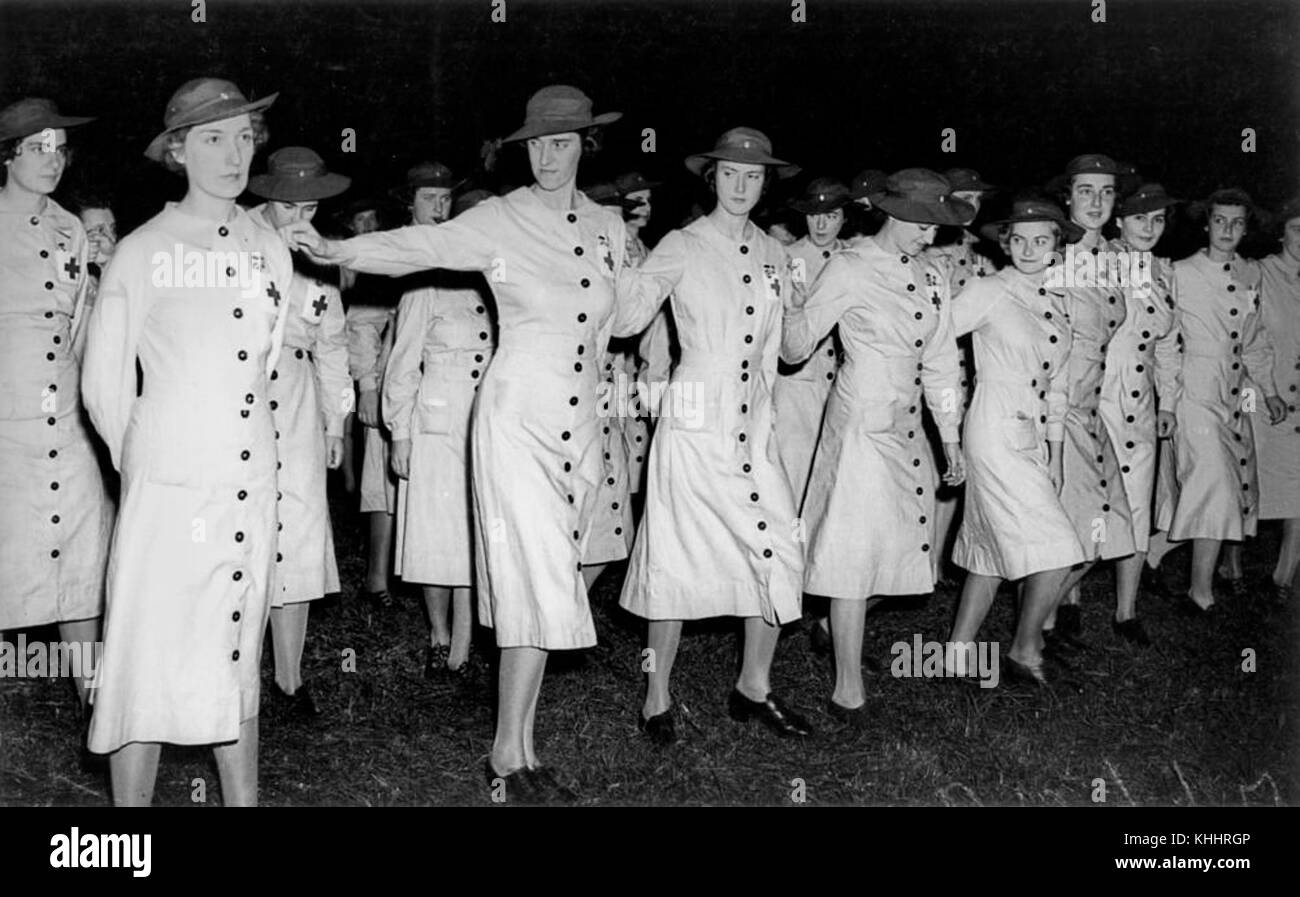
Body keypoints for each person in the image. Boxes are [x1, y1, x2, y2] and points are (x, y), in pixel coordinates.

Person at [283, 85, 636, 802]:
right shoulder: (501, 219)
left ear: (584, 145)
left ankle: (525, 748)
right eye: (537, 141)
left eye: (562, 141)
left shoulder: (605, 225)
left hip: (581, 428)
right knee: (535, 578)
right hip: (514, 422)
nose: (548, 154)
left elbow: (616, 319)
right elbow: (423, 244)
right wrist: (339, 247)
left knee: (553, 580)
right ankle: (507, 755)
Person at [82, 78, 290, 805]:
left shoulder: (272, 250)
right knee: (147, 659)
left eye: (242, 137)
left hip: (250, 485)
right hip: (171, 490)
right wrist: (152, 466)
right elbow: (104, 388)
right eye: (211, 138)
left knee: (235, 652)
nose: (233, 154)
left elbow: (262, 370)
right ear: (178, 150)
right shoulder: (143, 251)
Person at [617, 127, 812, 745]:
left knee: (779, 546)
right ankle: (656, 696)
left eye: (753, 177)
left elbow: (792, 350)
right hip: (695, 422)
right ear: (712, 178)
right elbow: (626, 320)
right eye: (730, 174)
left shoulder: (777, 255)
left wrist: (809, 301)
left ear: (766, 184)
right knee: (675, 558)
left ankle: (753, 687)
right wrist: (620, 265)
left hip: (753, 424)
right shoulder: (682, 244)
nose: (741, 186)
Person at [782, 168, 968, 721]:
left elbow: (940, 362)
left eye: (937, 227)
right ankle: (846, 686)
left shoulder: (933, 275)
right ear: (893, 213)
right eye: (923, 225)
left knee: (902, 555)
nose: (931, 237)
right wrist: (793, 306)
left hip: (907, 426)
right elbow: (794, 350)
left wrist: (951, 439)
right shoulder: (850, 266)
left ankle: (826, 625)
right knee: (852, 552)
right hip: (860, 424)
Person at [0, 97, 112, 715]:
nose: (53, 160)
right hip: (5, 420)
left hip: (63, 419)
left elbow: (77, 324)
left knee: (79, 552)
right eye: (37, 148)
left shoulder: (70, 227)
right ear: (9, 156)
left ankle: (97, 706)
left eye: (60, 149)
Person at [948, 197, 1088, 686]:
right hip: (992, 426)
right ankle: (1026, 648)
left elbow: (1060, 383)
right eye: (1020, 239)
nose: (1030, 248)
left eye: (1042, 239)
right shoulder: (989, 290)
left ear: (1057, 248)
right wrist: (944, 405)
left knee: (989, 550)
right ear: (1005, 244)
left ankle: (955, 652)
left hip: (1031, 434)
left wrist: (1054, 448)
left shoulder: (1053, 303)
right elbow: (935, 335)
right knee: (1061, 548)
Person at [248, 146, 352, 712]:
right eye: (291, 208)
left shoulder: (320, 254)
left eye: (312, 207)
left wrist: (335, 422)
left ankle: (289, 677)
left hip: (301, 402)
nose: (303, 221)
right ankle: (233, 671)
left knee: (302, 534)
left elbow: (334, 342)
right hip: (241, 395)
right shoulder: (233, 238)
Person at [384, 164, 495, 677]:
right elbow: (402, 362)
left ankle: (465, 647)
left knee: (473, 529)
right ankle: (438, 633)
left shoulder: (499, 283)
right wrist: (399, 433)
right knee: (434, 532)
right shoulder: (425, 281)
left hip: (485, 420)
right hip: (436, 419)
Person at [1158, 189, 1286, 612]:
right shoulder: (1180, 272)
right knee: (1213, 486)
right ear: (1206, 224)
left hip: (1232, 396)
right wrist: (1167, 401)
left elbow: (1253, 340)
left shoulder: (1250, 274)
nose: (1228, 230)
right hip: (1194, 392)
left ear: (1246, 228)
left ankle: (1153, 556)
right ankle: (1199, 590)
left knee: (1214, 486)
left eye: (1237, 223)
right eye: (1220, 221)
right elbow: (1163, 339)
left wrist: (1268, 391)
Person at [1042, 154, 1136, 648]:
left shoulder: (1115, 260)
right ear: (1067, 196)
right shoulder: (1052, 256)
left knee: (1105, 527)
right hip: (1057, 411)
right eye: (1086, 191)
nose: (1096, 201)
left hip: (1090, 408)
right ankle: (1039, 630)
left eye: (1106, 192)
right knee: (1080, 528)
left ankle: (1045, 622)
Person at [1097, 182, 1182, 644]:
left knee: (1137, 501)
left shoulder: (1162, 273)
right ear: (1118, 221)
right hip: (1101, 398)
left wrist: (1168, 401)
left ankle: (1126, 611)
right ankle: (1061, 609)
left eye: (1158, 220)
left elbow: (1168, 344)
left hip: (1142, 406)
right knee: (1094, 501)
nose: (1149, 228)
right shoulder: (1094, 264)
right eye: (1139, 219)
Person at [773, 176, 850, 657]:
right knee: (793, 491)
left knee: (833, 494)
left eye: (833, 214)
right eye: (815, 213)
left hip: (841, 387)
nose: (823, 222)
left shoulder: (854, 260)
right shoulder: (784, 260)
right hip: (795, 390)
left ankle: (826, 600)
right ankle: (786, 598)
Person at [1250, 196, 1300, 603]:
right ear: (1282, 232)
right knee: (1243, 488)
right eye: (1298, 229)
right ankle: (1227, 564)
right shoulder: (1260, 273)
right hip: (1262, 396)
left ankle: (1282, 578)